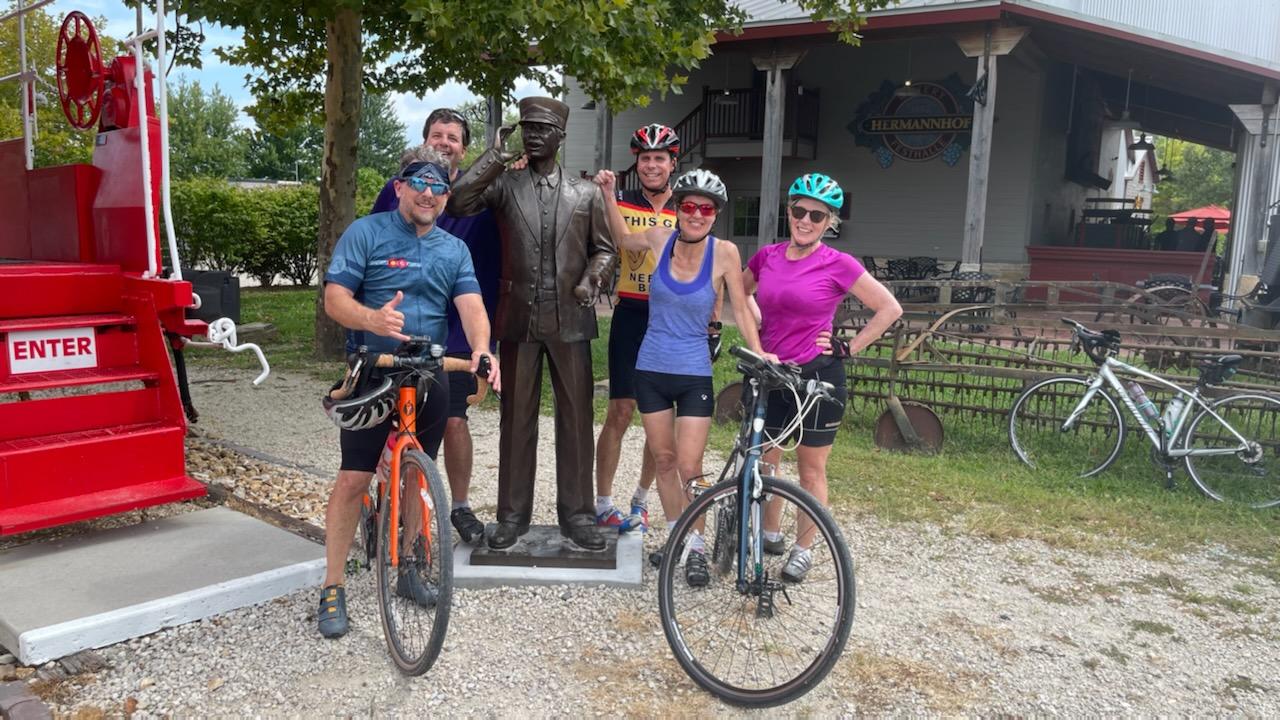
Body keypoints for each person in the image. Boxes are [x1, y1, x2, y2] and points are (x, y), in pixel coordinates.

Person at [317, 145, 501, 638]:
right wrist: (371, 318)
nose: (428, 192)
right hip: (374, 370)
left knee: (417, 478)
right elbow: (335, 298)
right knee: (355, 479)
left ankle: (409, 570)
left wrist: (482, 348)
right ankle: (332, 586)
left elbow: (471, 306)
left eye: (439, 185)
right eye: (418, 182)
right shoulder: (367, 233)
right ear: (399, 186)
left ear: (446, 195)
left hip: (427, 374)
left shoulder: (453, 249)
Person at [447, 97, 617, 552]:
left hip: (572, 321)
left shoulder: (586, 193)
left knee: (576, 422)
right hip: (517, 318)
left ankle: (579, 516)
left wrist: (591, 279)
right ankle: (512, 516)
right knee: (516, 421)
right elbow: (459, 202)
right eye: (529, 127)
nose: (535, 134)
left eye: (544, 128)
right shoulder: (504, 184)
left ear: (561, 136)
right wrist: (494, 156)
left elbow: (606, 248)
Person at [596, 167, 775, 585]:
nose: (697, 214)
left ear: (716, 214)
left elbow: (742, 306)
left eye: (706, 209)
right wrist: (608, 193)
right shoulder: (661, 237)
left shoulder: (725, 252)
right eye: (690, 206)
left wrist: (760, 350)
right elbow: (623, 240)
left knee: (691, 467)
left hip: (694, 372)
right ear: (678, 209)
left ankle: (697, 542)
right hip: (651, 368)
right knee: (663, 460)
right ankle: (681, 536)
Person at [744, 172, 901, 583]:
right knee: (769, 462)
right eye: (799, 210)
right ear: (789, 211)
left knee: (811, 468)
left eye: (817, 215)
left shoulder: (838, 264)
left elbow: (889, 309)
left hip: (817, 376)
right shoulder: (767, 257)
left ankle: (803, 548)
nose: (806, 220)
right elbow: (738, 293)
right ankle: (770, 534)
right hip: (773, 374)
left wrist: (850, 347)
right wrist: (755, 326)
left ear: (829, 222)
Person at [371, 108, 501, 547]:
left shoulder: (482, 199)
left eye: (453, 137)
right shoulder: (397, 191)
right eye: (437, 134)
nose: (444, 142)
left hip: (457, 327)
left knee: (452, 421)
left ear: (465, 149)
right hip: (401, 324)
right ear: (425, 138)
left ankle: (458, 506)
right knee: (393, 421)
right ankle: (390, 506)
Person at [591, 124, 680, 535]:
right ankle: (603, 501)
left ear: (672, 163)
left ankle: (641, 499)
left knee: (659, 417)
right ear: (637, 163)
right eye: (645, 158)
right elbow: (621, 240)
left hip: (671, 318)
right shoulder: (622, 201)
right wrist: (608, 194)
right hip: (632, 312)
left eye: (659, 158)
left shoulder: (690, 207)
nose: (651, 165)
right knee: (620, 410)